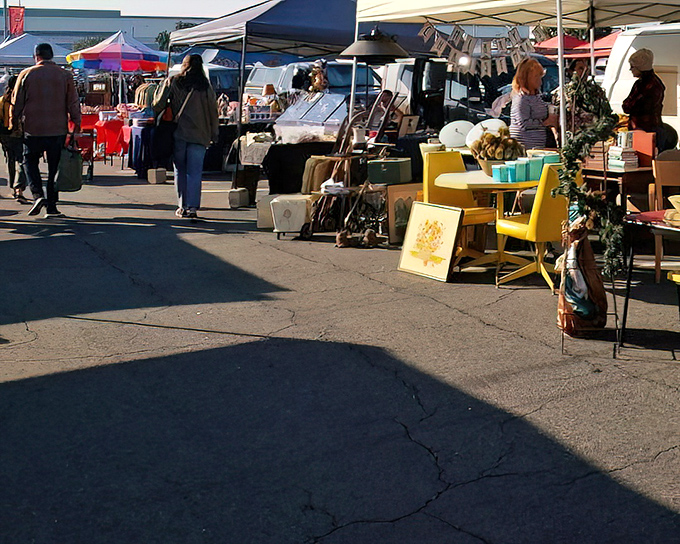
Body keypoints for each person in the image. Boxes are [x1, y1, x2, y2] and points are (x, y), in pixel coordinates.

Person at [11, 43, 81, 217]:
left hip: (33, 128)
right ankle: (52, 206)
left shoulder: (26, 74)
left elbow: (16, 102)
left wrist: (13, 122)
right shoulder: (65, 75)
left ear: (36, 56)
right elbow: (73, 102)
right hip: (57, 128)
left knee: (29, 161)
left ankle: (37, 194)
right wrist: (76, 123)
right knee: (54, 168)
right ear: (52, 56)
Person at [153, 54, 218, 220]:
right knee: (195, 173)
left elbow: (157, 105)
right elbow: (213, 111)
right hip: (200, 134)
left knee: (180, 171)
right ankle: (193, 207)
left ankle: (182, 206)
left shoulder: (173, 81)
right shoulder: (205, 86)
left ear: (184, 65)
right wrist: (214, 133)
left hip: (179, 133)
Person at [622, 48, 677, 152]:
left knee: (646, 161)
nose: (630, 69)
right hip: (651, 129)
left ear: (640, 67)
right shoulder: (653, 82)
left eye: (632, 66)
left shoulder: (645, 85)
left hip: (645, 131)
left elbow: (629, 106)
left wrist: (627, 105)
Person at [509, 57, 558, 150]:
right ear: (526, 78)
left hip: (538, 146)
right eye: (536, 77)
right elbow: (523, 123)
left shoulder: (536, 96)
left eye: (540, 76)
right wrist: (545, 122)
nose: (540, 80)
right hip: (525, 147)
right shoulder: (521, 98)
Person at [0, 75, 29, 203]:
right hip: (20, 134)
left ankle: (13, 187)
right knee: (22, 160)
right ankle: (19, 189)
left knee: (10, 160)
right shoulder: (24, 99)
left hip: (5, 134)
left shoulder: (2, 100)